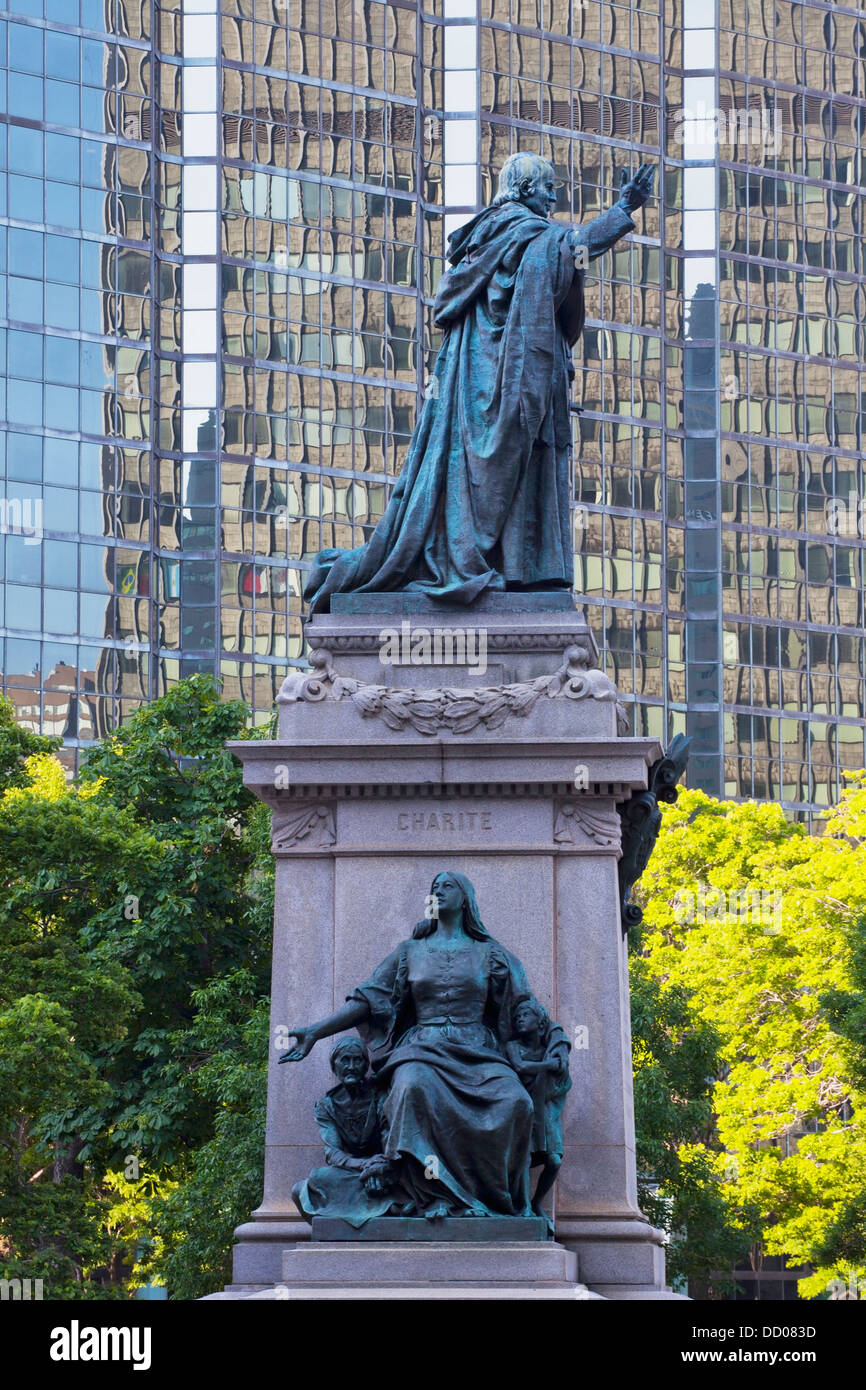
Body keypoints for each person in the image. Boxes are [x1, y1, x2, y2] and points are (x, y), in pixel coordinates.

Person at [304, 153, 655, 614]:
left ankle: (515, 570)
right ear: (525, 189)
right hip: (508, 385)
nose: (554, 196)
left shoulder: (487, 241)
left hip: (484, 385)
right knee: (508, 471)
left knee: (487, 476)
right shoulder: (527, 234)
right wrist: (622, 211)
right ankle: (504, 569)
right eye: (548, 187)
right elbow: (575, 248)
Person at [280, 871, 536, 1219]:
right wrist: (315, 1031)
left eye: (448, 886)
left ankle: (493, 1202)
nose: (438, 891)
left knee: (516, 1101)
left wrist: (547, 1048)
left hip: (477, 1049)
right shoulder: (409, 952)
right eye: (434, 888)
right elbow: (367, 1000)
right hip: (422, 1047)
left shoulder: (490, 954)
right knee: (411, 1087)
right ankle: (432, 1195)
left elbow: (522, 1004)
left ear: (465, 899)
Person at [291, 1038, 400, 1227]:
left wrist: (380, 1168)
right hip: (356, 1170)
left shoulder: (381, 1095)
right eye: (345, 1060)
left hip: (387, 1166)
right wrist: (365, 1166)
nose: (351, 1066)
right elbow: (333, 1153)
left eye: (357, 1060)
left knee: (413, 1177)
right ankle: (382, 1204)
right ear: (334, 1065)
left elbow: (390, 1138)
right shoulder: (326, 1106)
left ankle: (389, 1201)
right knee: (310, 1184)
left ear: (366, 1065)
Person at [505, 994, 571, 1226]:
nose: (520, 1019)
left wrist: (551, 1064)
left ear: (540, 1022)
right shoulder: (512, 1046)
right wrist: (548, 1065)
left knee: (554, 1161)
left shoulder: (549, 1045)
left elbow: (561, 1069)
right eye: (517, 1016)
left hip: (544, 1111)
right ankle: (523, 1206)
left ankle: (536, 1202)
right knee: (523, 1157)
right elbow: (520, 1066)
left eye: (526, 1015)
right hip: (522, 1110)